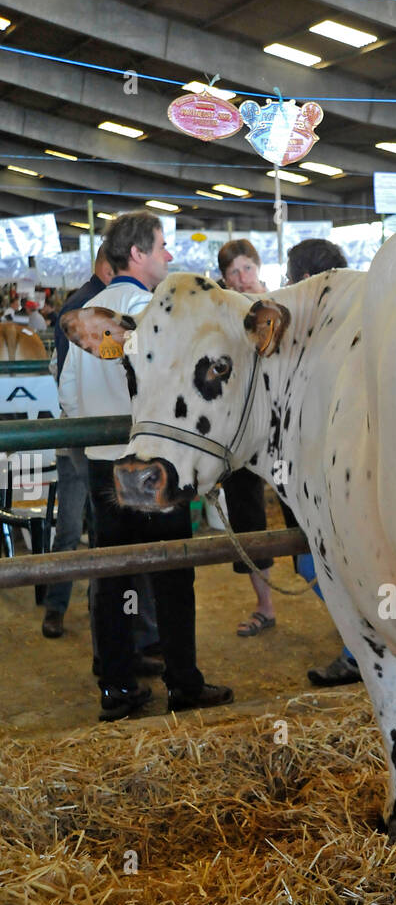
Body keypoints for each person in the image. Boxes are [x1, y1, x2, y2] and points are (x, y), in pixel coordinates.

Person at [60, 210, 233, 721]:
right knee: (171, 577)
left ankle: (116, 688)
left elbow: (68, 393)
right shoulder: (154, 312)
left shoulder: (87, 312)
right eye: (161, 246)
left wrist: (95, 441)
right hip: (153, 466)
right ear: (137, 253)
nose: (169, 255)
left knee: (110, 578)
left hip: (101, 466)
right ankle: (183, 682)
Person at [44, 244, 161, 662]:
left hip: (81, 439)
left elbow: (64, 382)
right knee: (122, 549)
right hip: (110, 447)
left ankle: (94, 636)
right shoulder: (106, 309)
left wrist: (84, 431)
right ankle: (136, 644)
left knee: (87, 538)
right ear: (116, 267)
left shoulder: (76, 306)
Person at [285, 238, 360, 687]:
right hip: (348, 460)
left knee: (327, 560)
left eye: (293, 281)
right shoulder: (360, 306)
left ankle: (359, 648)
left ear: (308, 281)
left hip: (334, 464)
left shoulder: (318, 325)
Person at [216, 239, 280, 638]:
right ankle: (265, 605)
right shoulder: (223, 315)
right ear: (224, 278)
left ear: (258, 269)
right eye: (233, 273)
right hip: (240, 431)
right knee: (246, 515)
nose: (241, 278)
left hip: (281, 429)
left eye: (246, 269)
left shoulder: (281, 308)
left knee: (301, 510)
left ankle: (335, 600)